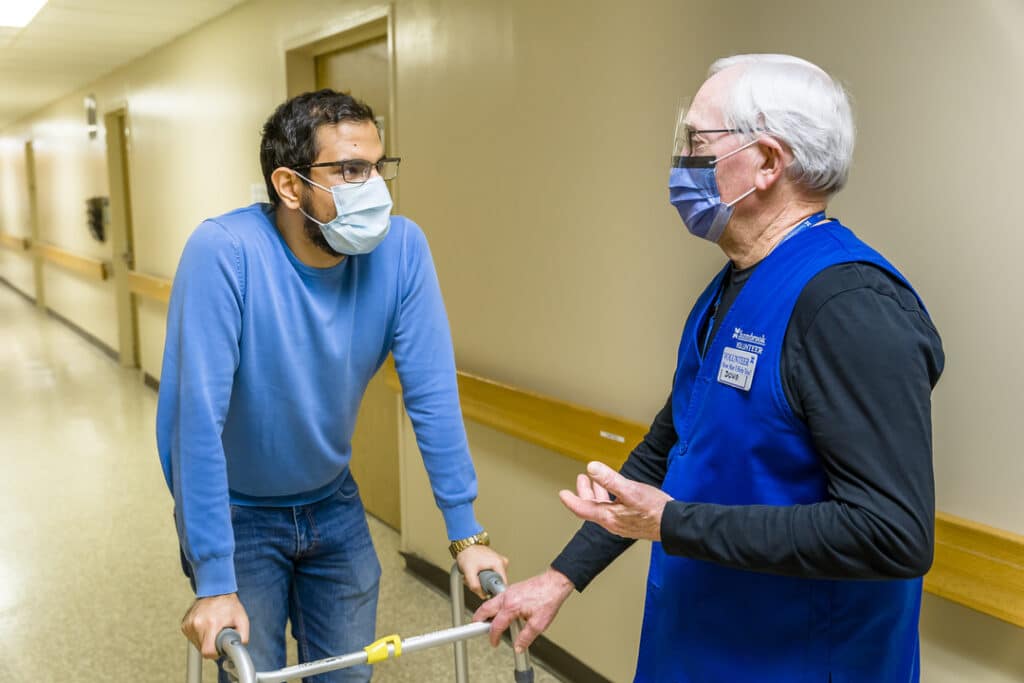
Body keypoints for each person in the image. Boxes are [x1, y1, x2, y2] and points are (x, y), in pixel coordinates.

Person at [476, 54, 944, 682]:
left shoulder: (848, 305)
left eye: (698, 142)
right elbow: (671, 447)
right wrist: (561, 578)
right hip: (701, 645)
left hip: (797, 662)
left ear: (768, 162)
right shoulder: (734, 285)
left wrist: (671, 521)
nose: (683, 161)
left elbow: (891, 532)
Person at [157, 89, 507, 682]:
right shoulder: (224, 252)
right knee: (253, 672)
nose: (375, 188)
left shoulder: (403, 249)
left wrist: (465, 531)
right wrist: (213, 578)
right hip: (239, 514)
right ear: (289, 186)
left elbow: (431, 394)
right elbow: (195, 425)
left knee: (348, 674)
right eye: (350, 170)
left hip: (332, 502)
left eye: (377, 166)